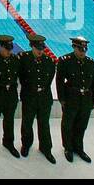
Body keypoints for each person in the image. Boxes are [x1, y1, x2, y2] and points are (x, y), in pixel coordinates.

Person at [56, 36, 94, 163]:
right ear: (74, 47)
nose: (82, 52)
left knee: (82, 124)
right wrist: (62, 98)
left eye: (84, 50)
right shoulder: (65, 61)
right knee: (68, 124)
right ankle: (68, 148)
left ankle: (79, 148)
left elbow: (93, 82)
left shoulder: (90, 63)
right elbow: (59, 81)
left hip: (86, 99)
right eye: (80, 49)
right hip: (71, 98)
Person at [18, 33, 57, 163]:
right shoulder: (23, 59)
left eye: (42, 49)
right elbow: (21, 77)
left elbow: (50, 78)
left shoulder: (49, 61)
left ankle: (46, 148)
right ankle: (26, 144)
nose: (40, 51)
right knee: (27, 123)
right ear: (31, 47)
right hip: (29, 97)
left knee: (44, 124)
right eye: (38, 49)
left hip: (44, 98)